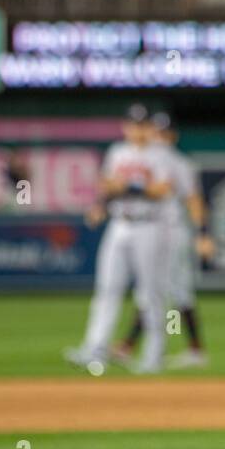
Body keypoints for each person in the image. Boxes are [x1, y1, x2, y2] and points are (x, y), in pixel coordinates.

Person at [64, 104, 173, 375]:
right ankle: (95, 349)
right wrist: (100, 205)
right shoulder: (117, 152)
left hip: (149, 225)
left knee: (149, 292)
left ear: (150, 128)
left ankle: (153, 355)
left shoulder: (161, 156)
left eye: (142, 124)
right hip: (119, 223)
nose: (137, 130)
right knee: (107, 288)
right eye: (132, 124)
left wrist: (126, 186)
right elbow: (107, 186)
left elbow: (161, 190)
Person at [112, 113, 214, 369]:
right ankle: (193, 349)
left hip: (172, 233)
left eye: (165, 133)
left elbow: (194, 200)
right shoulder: (145, 160)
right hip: (155, 231)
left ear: (173, 136)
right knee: (176, 291)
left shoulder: (177, 163)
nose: (160, 137)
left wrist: (203, 233)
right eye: (157, 132)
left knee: (157, 291)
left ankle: (134, 346)